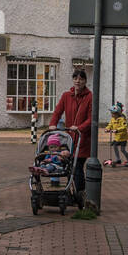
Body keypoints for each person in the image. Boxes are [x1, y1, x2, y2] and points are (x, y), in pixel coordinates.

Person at [50, 69, 94, 201]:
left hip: (83, 139)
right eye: (75, 78)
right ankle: (72, 192)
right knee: (69, 166)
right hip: (69, 139)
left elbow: (91, 119)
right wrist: (53, 124)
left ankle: (80, 194)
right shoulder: (66, 96)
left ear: (85, 81)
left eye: (81, 79)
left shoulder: (90, 96)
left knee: (78, 167)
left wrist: (79, 128)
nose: (78, 81)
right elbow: (58, 111)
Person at [105, 102, 128, 167]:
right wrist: (107, 129)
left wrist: (117, 130)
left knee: (123, 150)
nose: (112, 115)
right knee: (114, 146)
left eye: (113, 113)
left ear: (117, 114)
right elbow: (110, 125)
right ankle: (118, 159)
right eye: (111, 113)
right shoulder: (112, 119)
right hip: (117, 137)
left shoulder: (122, 119)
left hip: (123, 137)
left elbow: (124, 127)